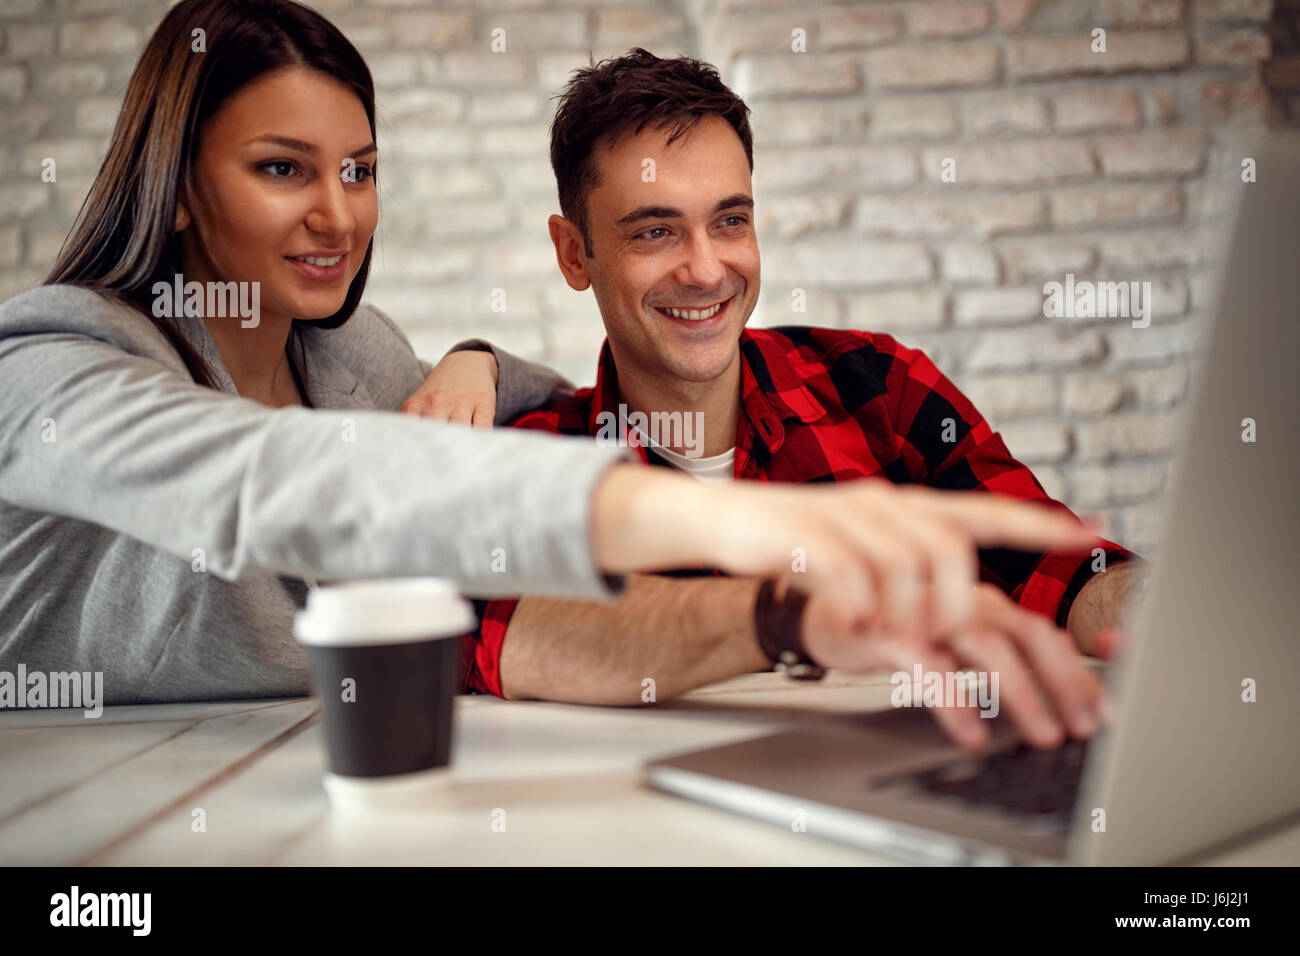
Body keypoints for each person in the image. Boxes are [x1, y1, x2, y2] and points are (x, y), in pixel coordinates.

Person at [0, 2, 1094, 708]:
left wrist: (473, 354)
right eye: (283, 169)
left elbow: (532, 398)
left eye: (361, 169)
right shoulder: (56, 357)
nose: (338, 215)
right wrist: (740, 523)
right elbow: (278, 478)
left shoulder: (354, 355)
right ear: (183, 182)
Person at [408, 50, 1145, 752]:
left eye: (731, 221)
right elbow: (500, 639)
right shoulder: (535, 464)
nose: (706, 270)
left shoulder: (877, 384)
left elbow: (1061, 573)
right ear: (575, 254)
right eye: (656, 230)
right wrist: (798, 618)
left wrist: (1147, 610)